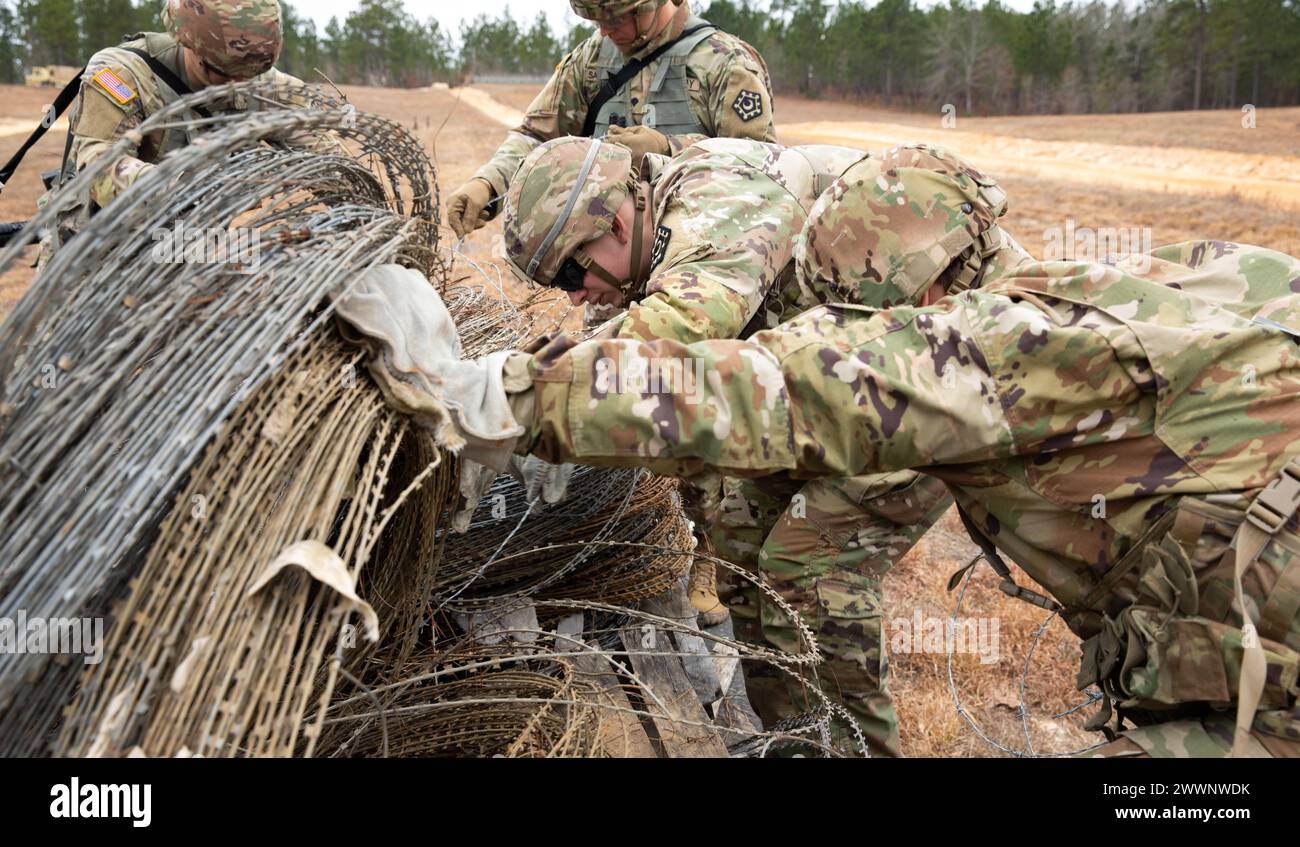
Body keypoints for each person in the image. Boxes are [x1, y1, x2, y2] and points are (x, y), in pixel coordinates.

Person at [334, 186, 1300, 756]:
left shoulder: (999, 349)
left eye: (867, 312)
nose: (863, 330)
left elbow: (787, 393)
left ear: (923, 291)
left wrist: (508, 396)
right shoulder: (1165, 282)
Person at [444, 0, 777, 246]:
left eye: (615, 18)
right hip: (608, 275)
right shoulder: (593, 60)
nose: (603, 30)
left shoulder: (724, 63)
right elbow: (536, 135)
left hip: (700, 264)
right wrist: (489, 184)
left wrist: (668, 149)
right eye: (595, 19)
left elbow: (762, 169)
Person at [40, 0, 335, 256]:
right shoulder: (122, 75)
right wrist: (188, 189)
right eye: (225, 75)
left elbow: (328, 158)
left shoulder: (261, 82)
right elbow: (100, 168)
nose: (240, 85)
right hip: (93, 250)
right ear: (190, 45)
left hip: (186, 249)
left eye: (252, 74)